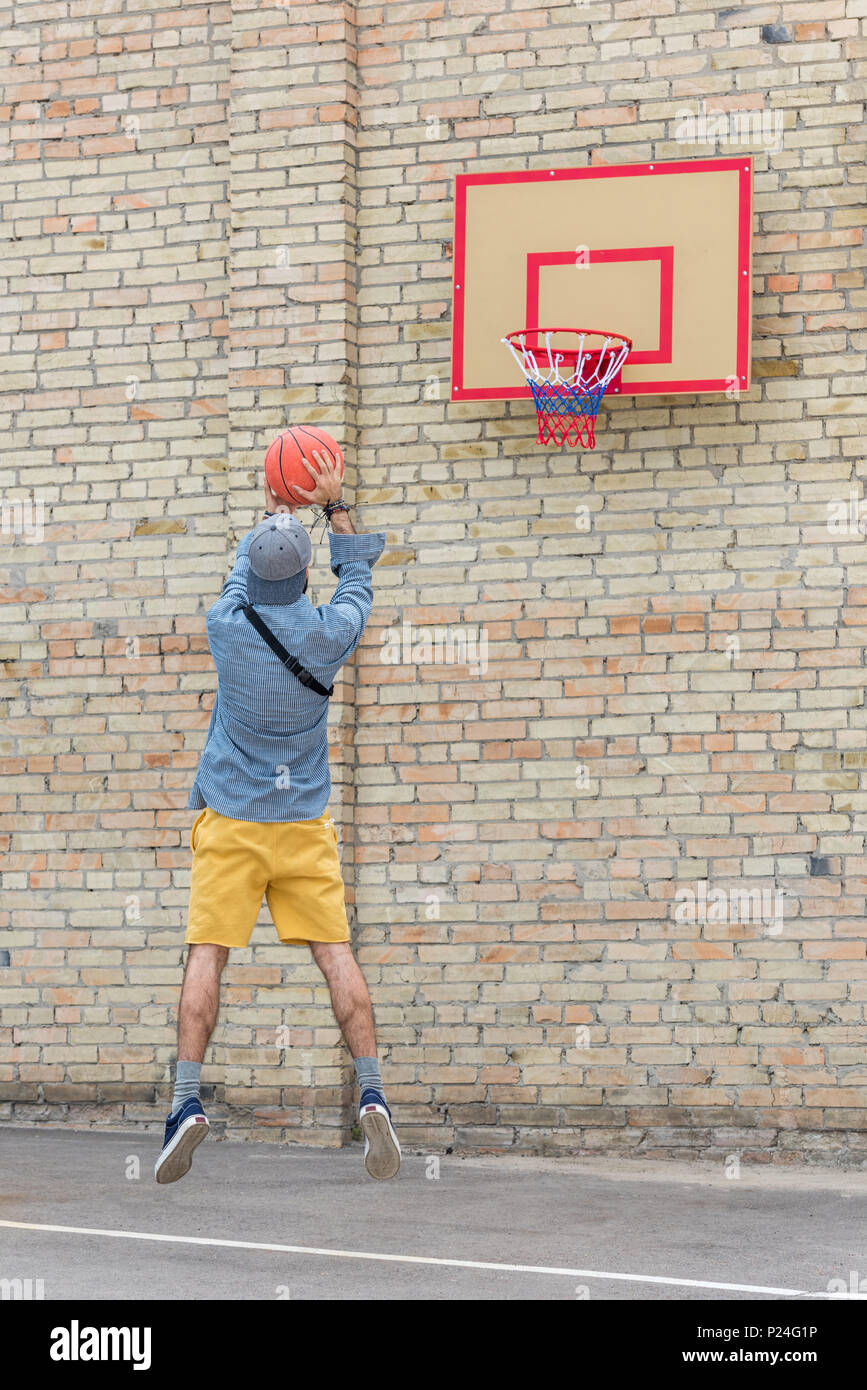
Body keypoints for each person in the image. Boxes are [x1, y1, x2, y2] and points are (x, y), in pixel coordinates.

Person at [155, 450, 399, 1184]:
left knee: (208, 954)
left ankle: (186, 1103)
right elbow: (356, 577)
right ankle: (371, 1090)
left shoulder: (226, 625)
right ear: (301, 577)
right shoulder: (331, 633)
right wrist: (332, 507)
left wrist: (273, 512)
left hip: (231, 821)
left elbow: (244, 576)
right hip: (303, 826)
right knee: (335, 954)